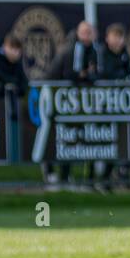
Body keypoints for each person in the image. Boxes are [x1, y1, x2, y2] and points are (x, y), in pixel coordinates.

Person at [45, 21, 100, 185]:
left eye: (89, 32)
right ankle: (58, 175)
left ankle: (76, 177)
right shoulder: (73, 49)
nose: (87, 35)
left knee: (79, 139)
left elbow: (95, 74)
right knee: (61, 139)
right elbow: (71, 75)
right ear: (78, 32)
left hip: (77, 104)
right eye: (84, 32)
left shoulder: (93, 50)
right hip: (62, 102)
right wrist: (85, 75)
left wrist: (88, 75)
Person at [0, 33, 28, 164]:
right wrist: (13, 82)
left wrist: (19, 85)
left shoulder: (17, 61)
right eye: (13, 49)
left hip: (9, 104)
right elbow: (0, 76)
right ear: (5, 47)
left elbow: (22, 78)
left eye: (18, 50)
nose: (16, 53)